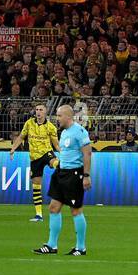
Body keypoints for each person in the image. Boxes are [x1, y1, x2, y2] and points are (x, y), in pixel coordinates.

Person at [33, 105, 92, 256]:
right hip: (60, 173)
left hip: (74, 174)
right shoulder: (64, 132)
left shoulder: (79, 132)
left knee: (75, 210)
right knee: (53, 207)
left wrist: (86, 176)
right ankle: (52, 245)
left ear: (68, 116)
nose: (57, 119)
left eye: (59, 116)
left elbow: (87, 154)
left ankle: (81, 247)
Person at [9, 102, 60, 221]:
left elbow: (56, 145)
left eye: (41, 109)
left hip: (46, 153)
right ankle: (39, 215)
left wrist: (64, 154)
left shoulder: (51, 127)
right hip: (34, 158)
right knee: (36, 186)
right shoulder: (29, 123)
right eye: (37, 109)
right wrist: (12, 149)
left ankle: (63, 168)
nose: (38, 112)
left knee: (53, 162)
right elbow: (21, 137)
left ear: (45, 112)